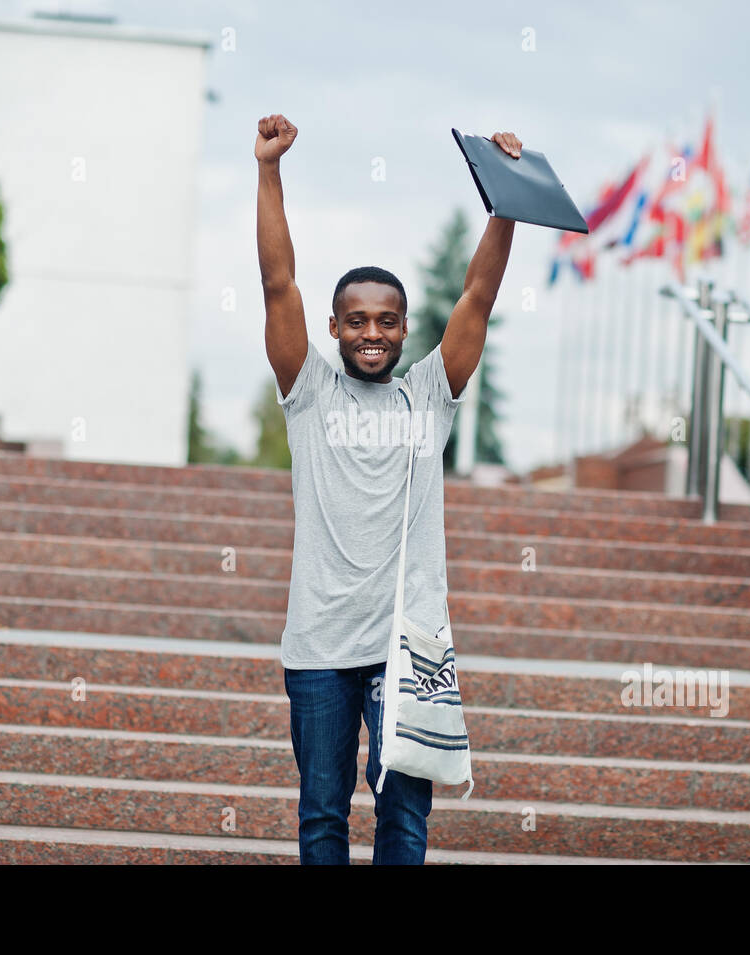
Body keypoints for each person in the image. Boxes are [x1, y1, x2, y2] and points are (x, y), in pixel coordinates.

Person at [255, 113, 520, 865]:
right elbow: (278, 282)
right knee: (322, 816)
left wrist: (504, 201)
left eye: (388, 321)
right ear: (335, 329)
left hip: (410, 644)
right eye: (357, 320)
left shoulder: (427, 396)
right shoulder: (309, 394)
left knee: (403, 821)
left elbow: (477, 296)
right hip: (319, 646)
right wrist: (270, 170)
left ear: (405, 331)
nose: (373, 331)